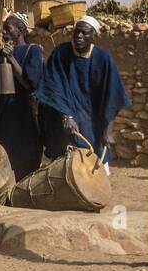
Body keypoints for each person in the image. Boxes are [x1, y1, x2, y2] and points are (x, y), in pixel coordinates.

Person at [36, 16, 130, 166]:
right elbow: (53, 86)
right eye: (76, 32)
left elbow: (113, 96)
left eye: (84, 33)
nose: (79, 36)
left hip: (91, 122)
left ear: (94, 36)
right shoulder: (61, 53)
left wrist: (108, 129)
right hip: (64, 121)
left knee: (93, 166)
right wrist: (66, 115)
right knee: (61, 166)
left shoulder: (103, 59)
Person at [0, 12, 44, 180]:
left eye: (8, 29)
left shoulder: (33, 52)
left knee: (24, 164)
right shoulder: (1, 53)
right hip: (3, 116)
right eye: (3, 30)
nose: (3, 33)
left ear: (21, 30)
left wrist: (11, 59)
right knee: (1, 161)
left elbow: (30, 83)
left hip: (23, 117)